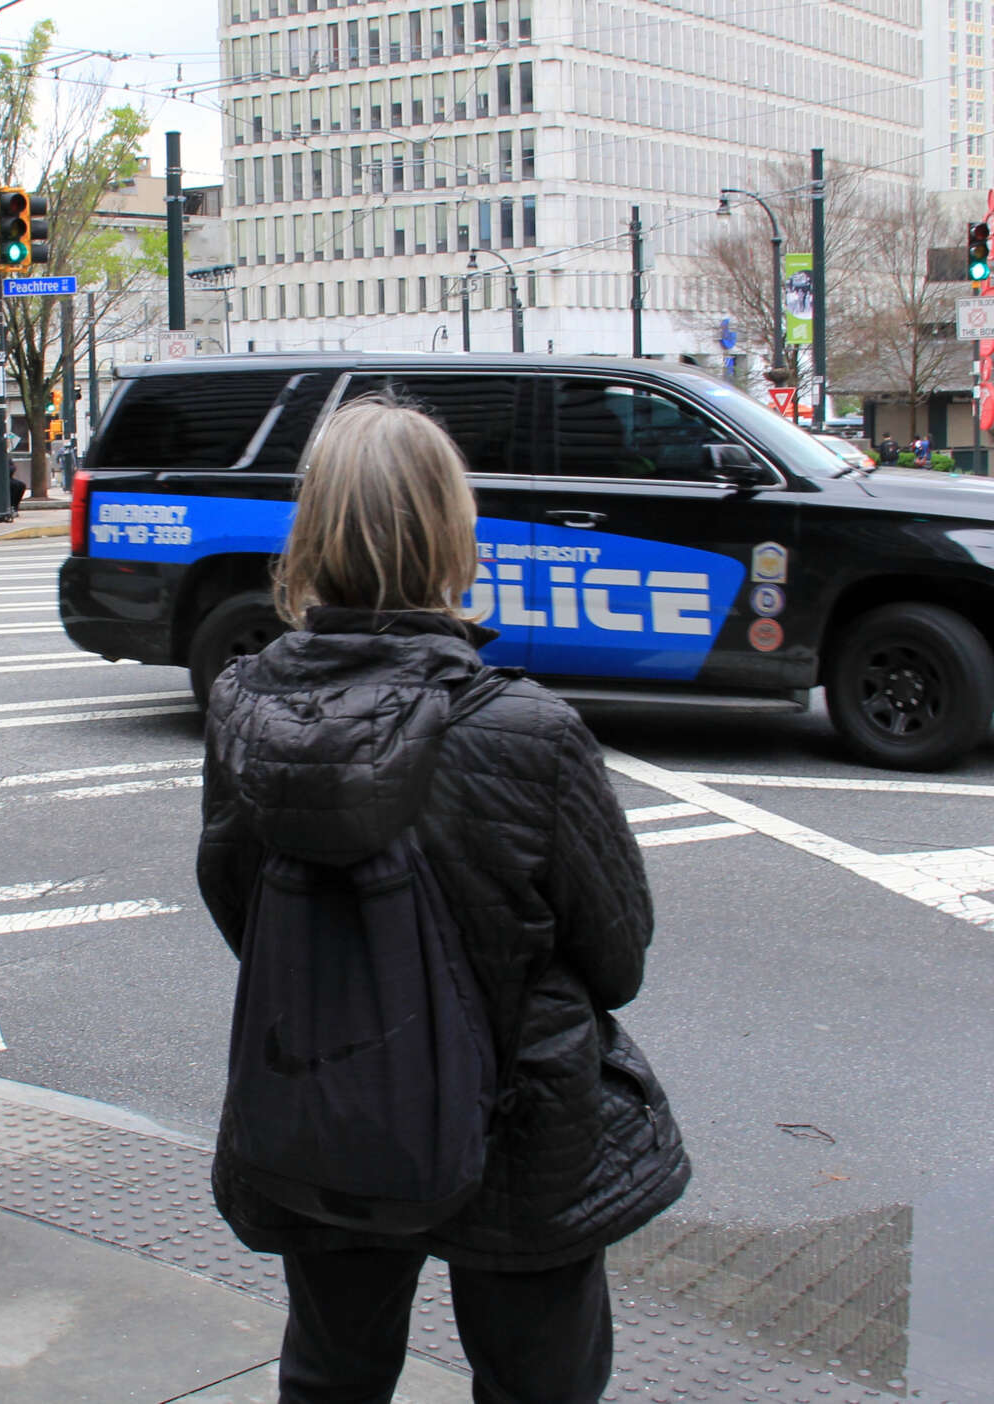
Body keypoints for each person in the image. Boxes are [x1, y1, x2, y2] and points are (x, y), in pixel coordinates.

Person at [196, 397, 689, 1404]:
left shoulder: (246, 713)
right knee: (536, 1382)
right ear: (449, 535)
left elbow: (237, 900)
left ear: (313, 534)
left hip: (324, 1102)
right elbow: (618, 956)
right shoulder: (528, 731)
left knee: (331, 1373)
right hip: (520, 1118)